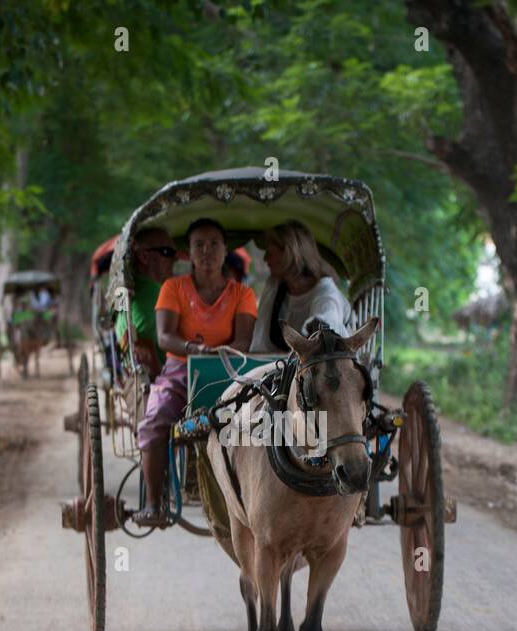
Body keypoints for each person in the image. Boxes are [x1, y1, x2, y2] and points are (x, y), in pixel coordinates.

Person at [135, 218, 256, 527]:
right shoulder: (173, 288)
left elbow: (243, 340)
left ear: (225, 250)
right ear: (187, 252)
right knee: (153, 420)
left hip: (230, 370)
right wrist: (196, 350)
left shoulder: (243, 294)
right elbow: (165, 337)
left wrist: (218, 354)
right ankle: (153, 503)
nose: (207, 251)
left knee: (265, 421)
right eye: (199, 245)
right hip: (180, 371)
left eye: (214, 244)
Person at [249, 220, 351, 353]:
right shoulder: (274, 286)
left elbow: (325, 329)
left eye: (270, 251)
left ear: (288, 253)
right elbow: (260, 343)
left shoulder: (326, 294)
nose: (265, 258)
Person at [115, 227, 175, 379]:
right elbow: (144, 346)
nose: (175, 259)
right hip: (161, 382)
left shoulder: (126, 293)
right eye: (167, 253)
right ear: (144, 257)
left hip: (133, 380)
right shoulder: (155, 292)